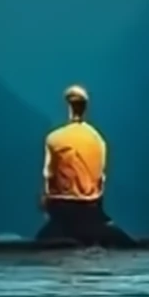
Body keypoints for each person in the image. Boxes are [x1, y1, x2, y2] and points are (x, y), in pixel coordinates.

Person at [35, 84, 134, 246]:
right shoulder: (98, 140)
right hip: (93, 212)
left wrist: (47, 202)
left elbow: (49, 178)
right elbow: (101, 180)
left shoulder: (54, 139)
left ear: (68, 106)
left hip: (63, 213)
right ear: (85, 108)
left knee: (41, 243)